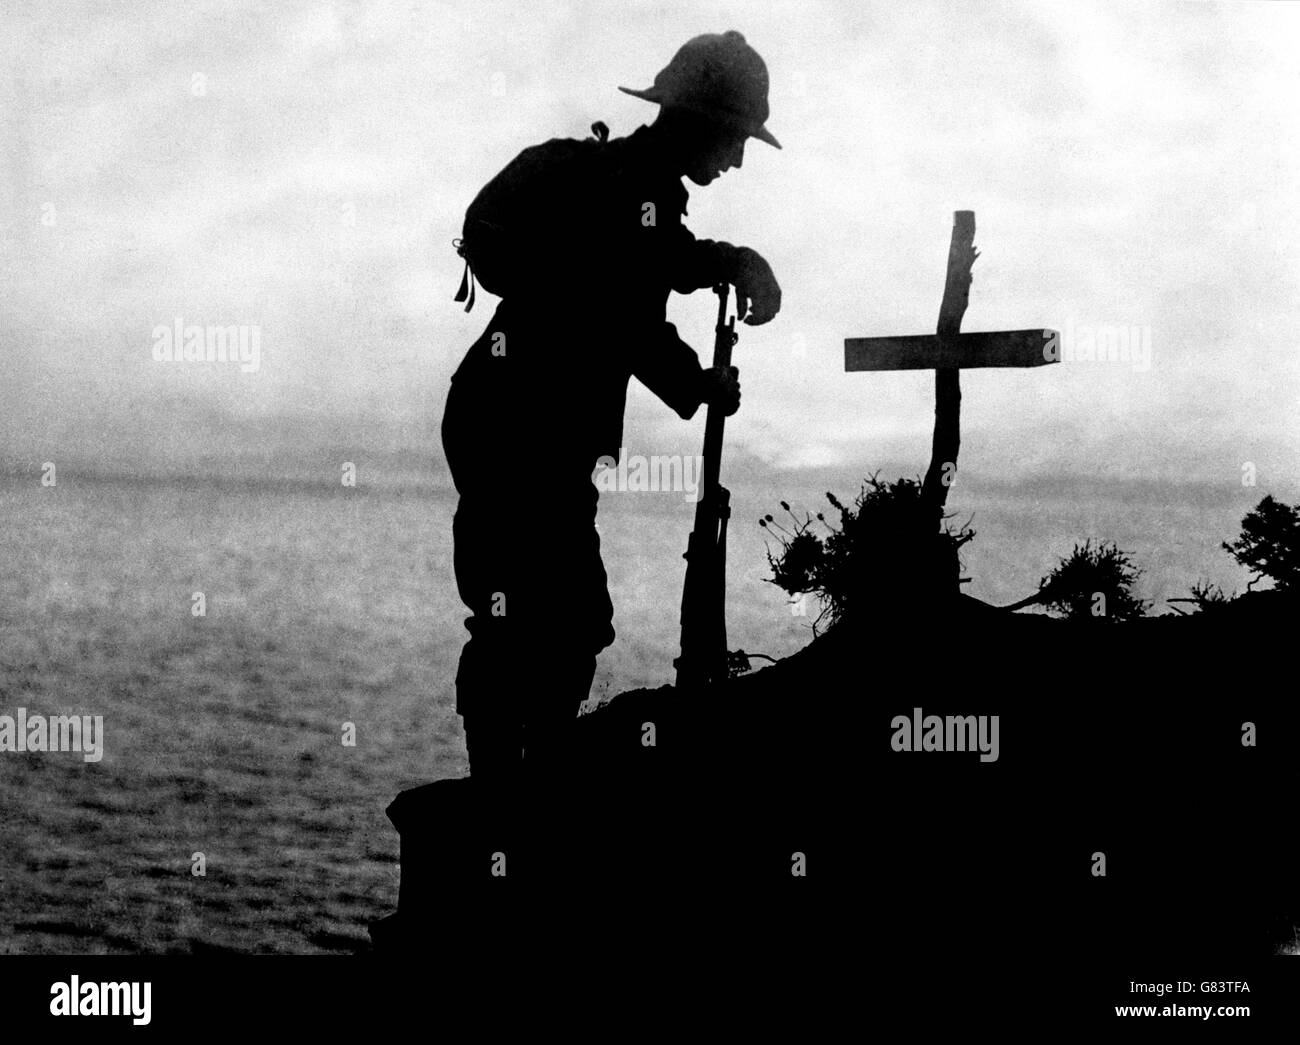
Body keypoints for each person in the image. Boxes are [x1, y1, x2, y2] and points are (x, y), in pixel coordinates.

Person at [442, 30, 783, 788]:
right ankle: (508, 794)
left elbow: (647, 268)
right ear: (702, 122)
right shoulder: (634, 192)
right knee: (541, 621)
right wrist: (698, 382)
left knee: (548, 619)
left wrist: (726, 264)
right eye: (735, 138)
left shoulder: (634, 191)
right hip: (518, 426)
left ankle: (518, 784)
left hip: (509, 418)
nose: (736, 159)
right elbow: (625, 306)